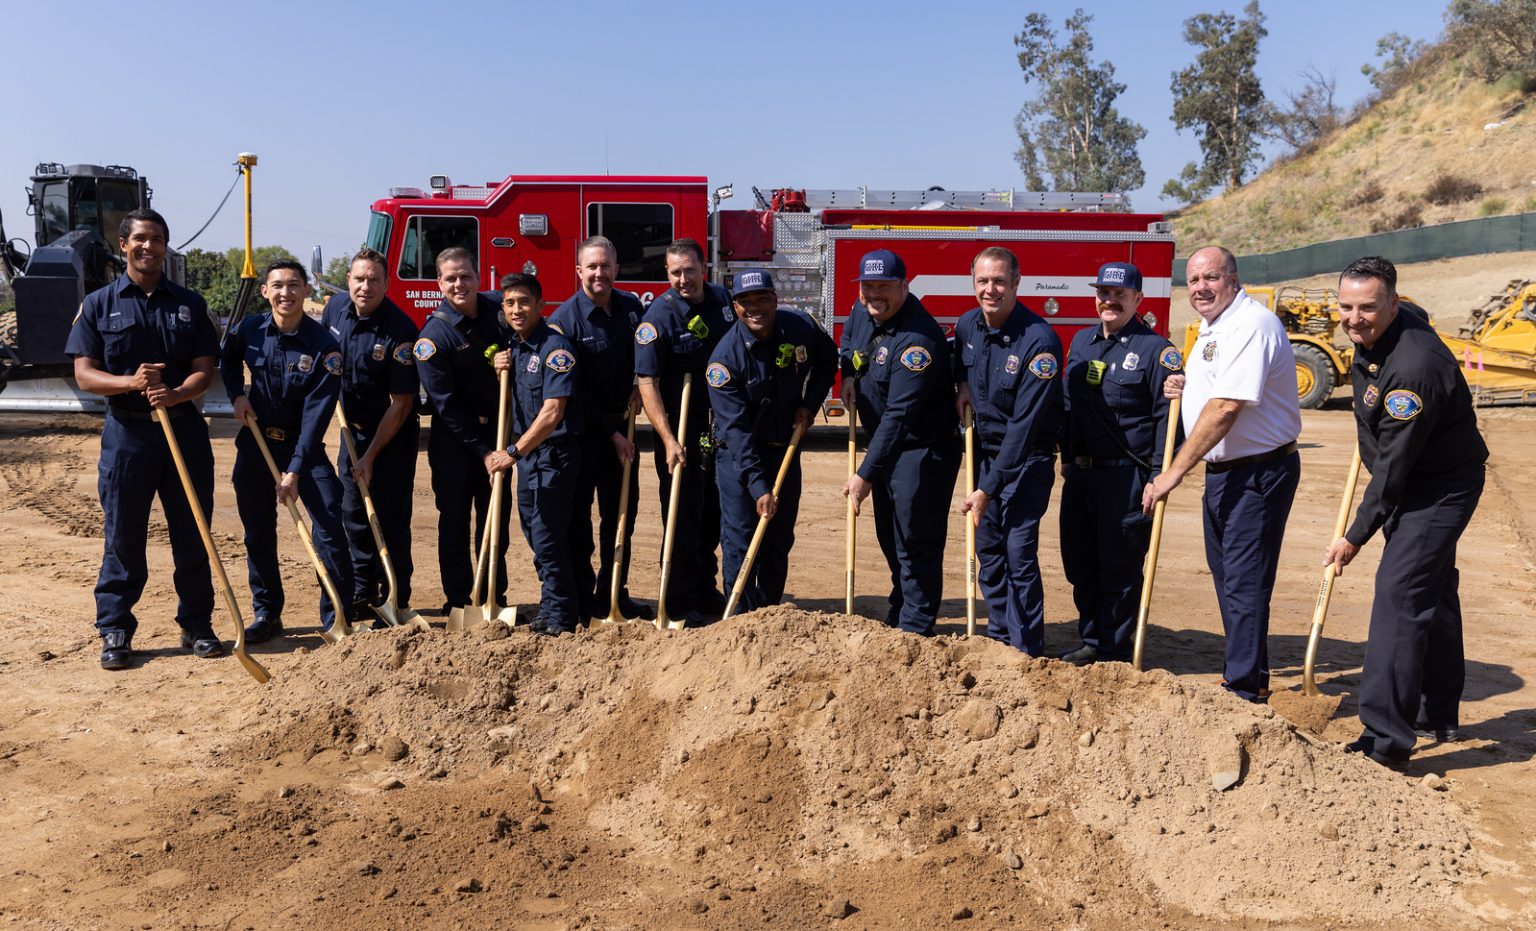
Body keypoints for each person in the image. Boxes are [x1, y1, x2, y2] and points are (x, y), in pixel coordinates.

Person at [1323, 256, 1487, 766]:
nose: (1354, 318)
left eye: (1368, 308)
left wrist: (1353, 536)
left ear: (1394, 302)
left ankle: (1384, 740)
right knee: (1431, 593)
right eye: (1346, 306)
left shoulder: (1414, 369)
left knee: (1397, 597)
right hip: (1414, 474)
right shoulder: (1379, 333)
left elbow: (1392, 473)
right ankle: (1437, 710)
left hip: (1437, 490)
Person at [67, 208, 226, 668]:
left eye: (157, 240)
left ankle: (197, 624)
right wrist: (131, 384)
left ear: (164, 246)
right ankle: (115, 629)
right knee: (123, 536)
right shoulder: (98, 303)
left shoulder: (189, 303)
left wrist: (175, 393)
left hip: (183, 432)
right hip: (127, 435)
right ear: (124, 245)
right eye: (140, 239)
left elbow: (204, 370)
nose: (148, 247)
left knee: (193, 532)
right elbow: (84, 374)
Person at [1143, 246, 1302, 703]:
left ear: (1233, 278)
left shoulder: (1250, 324)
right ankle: (1249, 672)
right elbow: (1217, 389)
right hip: (1227, 473)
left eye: (1210, 278)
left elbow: (1227, 406)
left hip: (1257, 473)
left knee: (1244, 579)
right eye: (1193, 280)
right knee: (1229, 575)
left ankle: (1244, 687)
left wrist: (1174, 471)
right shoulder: (1217, 326)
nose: (1200, 288)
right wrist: (1186, 385)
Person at [1058, 262, 1182, 664]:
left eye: (1119, 295)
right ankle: (1092, 637)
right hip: (1080, 474)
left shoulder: (1156, 350)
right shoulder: (1082, 341)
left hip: (1126, 477)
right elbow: (1068, 405)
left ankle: (1112, 648)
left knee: (1119, 566)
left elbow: (1169, 420)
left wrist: (1158, 477)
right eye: (1103, 294)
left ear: (1137, 300)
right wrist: (1064, 456)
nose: (1109, 301)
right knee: (1079, 562)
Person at [221, 259, 351, 640]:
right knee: (257, 531)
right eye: (277, 285)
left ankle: (336, 617)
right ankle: (267, 614)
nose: (285, 293)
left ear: (305, 290)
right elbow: (226, 361)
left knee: (328, 525)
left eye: (294, 285)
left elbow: (316, 417)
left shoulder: (325, 345)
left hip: (304, 449)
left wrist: (294, 470)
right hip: (257, 444)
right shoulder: (249, 330)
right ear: (265, 291)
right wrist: (236, 395)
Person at [839, 249, 961, 636]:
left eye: (884, 287)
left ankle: (916, 627)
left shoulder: (917, 342)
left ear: (904, 286)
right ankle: (902, 605)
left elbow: (899, 414)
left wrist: (864, 475)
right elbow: (847, 343)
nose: (875, 294)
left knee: (915, 541)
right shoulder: (863, 312)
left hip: (921, 450)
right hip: (887, 446)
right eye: (868, 286)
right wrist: (846, 375)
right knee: (890, 538)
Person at [954, 247, 1063, 656]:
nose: (990, 289)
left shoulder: (1040, 341)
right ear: (973, 282)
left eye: (999, 281)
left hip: (1026, 461)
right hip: (984, 456)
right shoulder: (968, 326)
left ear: (1017, 283)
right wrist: (960, 386)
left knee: (1018, 554)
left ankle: (1025, 649)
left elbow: (1024, 427)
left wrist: (987, 488)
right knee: (988, 552)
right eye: (983, 281)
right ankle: (998, 639)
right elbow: (957, 363)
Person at [707, 269, 836, 611]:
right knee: (741, 538)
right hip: (739, 459)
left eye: (762, 298)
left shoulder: (800, 328)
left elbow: (828, 360)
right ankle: (739, 617)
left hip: (785, 449)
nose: (755, 308)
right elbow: (736, 433)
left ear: (775, 300)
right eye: (745, 302)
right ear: (734, 307)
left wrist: (810, 405)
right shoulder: (724, 361)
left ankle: (769, 614)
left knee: (779, 538)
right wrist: (758, 486)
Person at [549, 236, 652, 621]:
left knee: (622, 516)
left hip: (622, 428)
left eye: (605, 266)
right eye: (591, 266)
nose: (599, 273)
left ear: (616, 270)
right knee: (580, 522)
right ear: (579, 271)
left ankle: (613, 594)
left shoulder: (630, 310)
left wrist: (638, 386)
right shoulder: (563, 322)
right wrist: (612, 436)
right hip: (583, 435)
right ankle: (581, 598)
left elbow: (644, 358)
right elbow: (574, 389)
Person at [635, 238, 735, 623]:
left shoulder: (724, 302)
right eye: (675, 272)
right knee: (681, 514)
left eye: (689, 270)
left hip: (718, 425)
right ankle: (679, 600)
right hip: (681, 428)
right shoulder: (658, 318)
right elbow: (647, 382)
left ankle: (705, 589)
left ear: (703, 268)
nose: (683, 279)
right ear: (667, 273)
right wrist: (667, 440)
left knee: (712, 510)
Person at [320, 248, 421, 622]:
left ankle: (395, 596)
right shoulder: (334, 311)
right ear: (349, 280)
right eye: (359, 279)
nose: (366, 286)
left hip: (391, 438)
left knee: (390, 519)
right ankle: (363, 592)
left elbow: (402, 403)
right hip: (351, 434)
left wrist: (371, 457)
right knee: (354, 516)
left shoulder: (400, 330)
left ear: (386, 284)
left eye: (374, 280)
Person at [414, 247, 513, 613]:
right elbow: (445, 406)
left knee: (495, 522)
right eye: (451, 278)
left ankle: (492, 596)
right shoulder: (434, 336)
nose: (459, 284)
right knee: (454, 522)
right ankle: (458, 600)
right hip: (456, 443)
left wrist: (510, 359)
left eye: (465, 276)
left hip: (498, 436)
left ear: (478, 277)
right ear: (440, 283)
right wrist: (485, 453)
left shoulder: (499, 312)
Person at [488, 274, 584, 635]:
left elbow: (552, 412)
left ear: (541, 306)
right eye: (510, 303)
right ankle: (552, 604)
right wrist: (499, 366)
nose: (517, 309)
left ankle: (560, 616)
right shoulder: (516, 347)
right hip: (530, 460)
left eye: (524, 302)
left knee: (547, 536)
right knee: (534, 532)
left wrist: (512, 451)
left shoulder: (555, 349)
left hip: (552, 457)